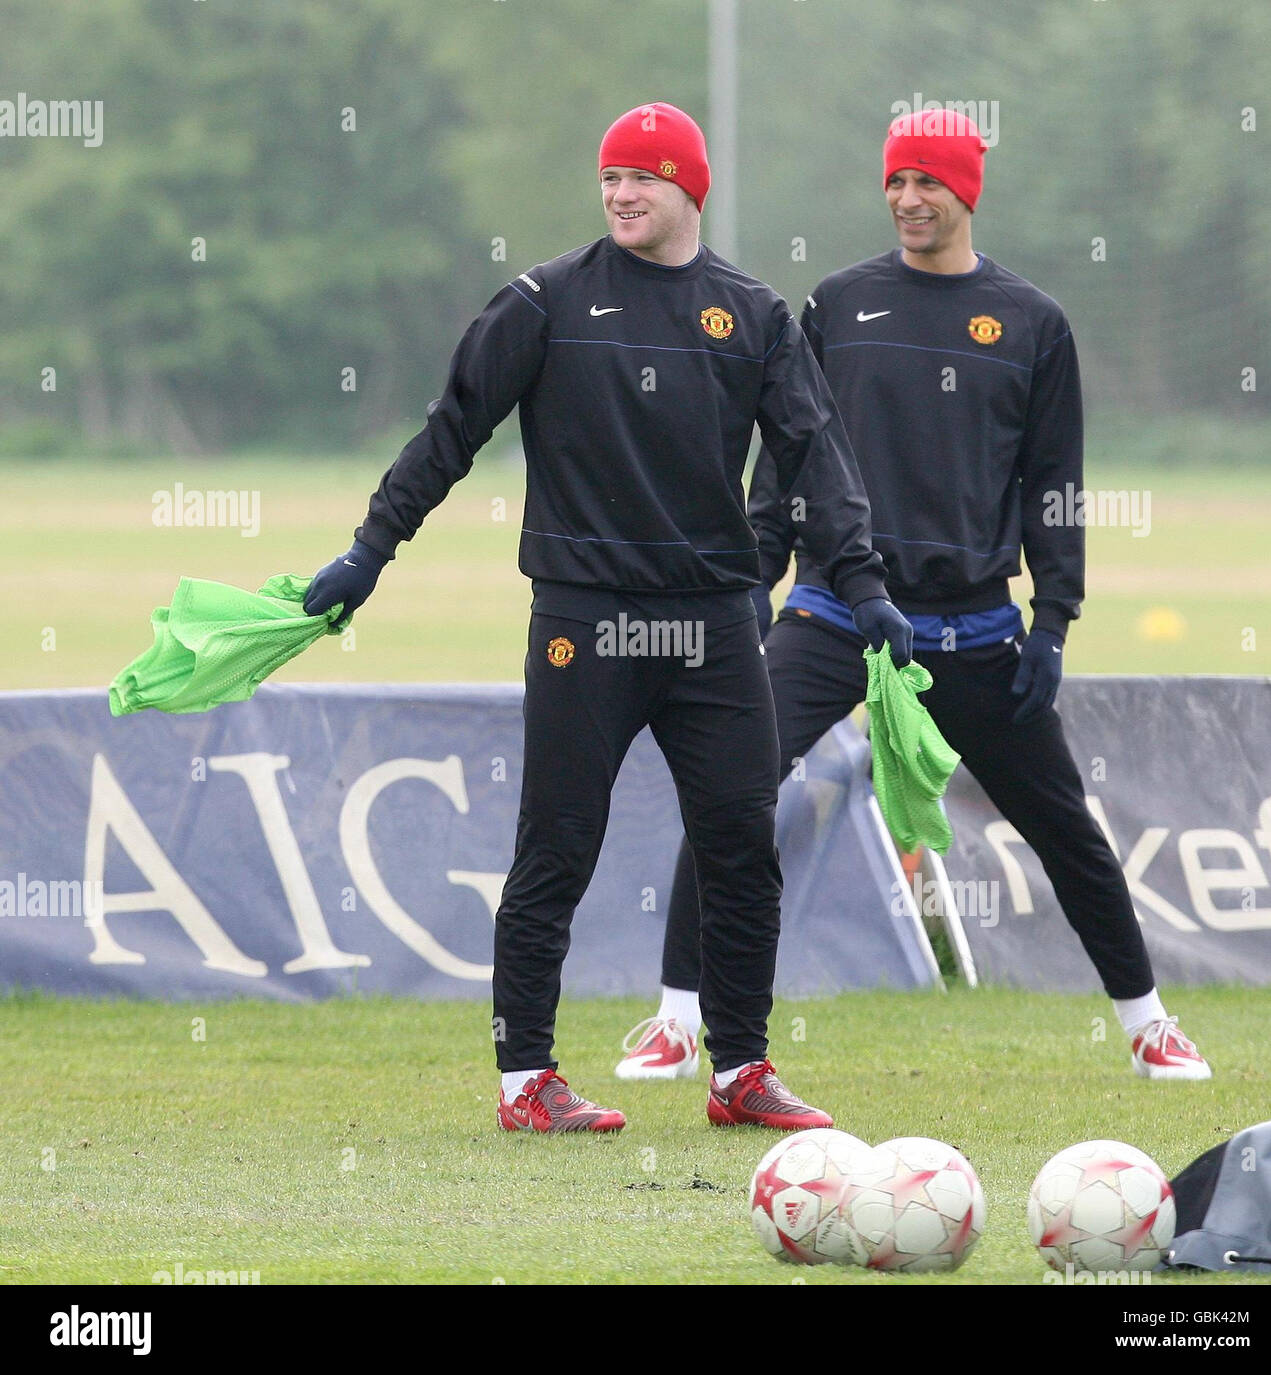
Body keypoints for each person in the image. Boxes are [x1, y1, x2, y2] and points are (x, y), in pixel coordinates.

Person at [304, 102, 913, 1133]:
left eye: (642, 178)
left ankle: (740, 1070)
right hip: (583, 620)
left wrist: (863, 585)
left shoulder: (752, 315)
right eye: (609, 180)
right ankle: (526, 1080)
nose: (621, 194)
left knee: (739, 844)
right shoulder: (545, 300)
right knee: (558, 846)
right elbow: (449, 432)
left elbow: (819, 460)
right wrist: (372, 549)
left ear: (689, 189)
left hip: (717, 624)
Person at [617, 109, 1211, 1084]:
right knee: (731, 790)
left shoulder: (1031, 323)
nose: (907, 201)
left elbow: (1052, 485)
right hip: (833, 613)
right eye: (895, 183)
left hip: (972, 626)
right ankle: (679, 1018)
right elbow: (788, 465)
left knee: (1063, 824)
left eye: (927, 184)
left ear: (964, 192)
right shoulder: (838, 305)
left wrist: (1053, 619)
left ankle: (1148, 1023)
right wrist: (745, 589)